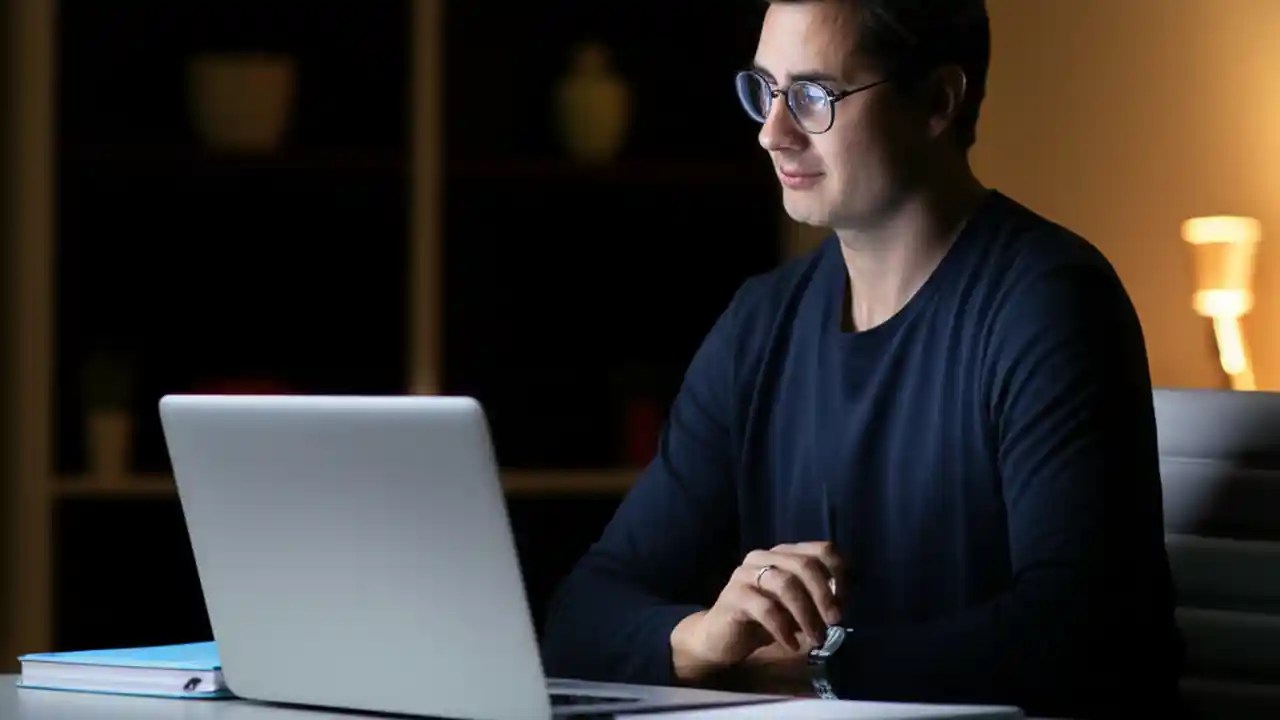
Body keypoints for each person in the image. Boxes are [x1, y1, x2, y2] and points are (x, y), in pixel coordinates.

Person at [539, 1, 1184, 717]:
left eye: (814, 96)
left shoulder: (1049, 302)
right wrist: (701, 641)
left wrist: (820, 667)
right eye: (765, 90)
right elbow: (581, 617)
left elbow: (1081, 636)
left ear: (937, 101)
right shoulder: (760, 322)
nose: (772, 132)